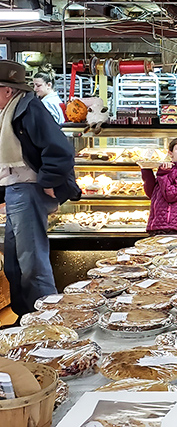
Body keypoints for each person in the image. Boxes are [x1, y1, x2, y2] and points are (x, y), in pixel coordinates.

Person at [0, 60, 81, 319]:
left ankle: (49, 324)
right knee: (15, 261)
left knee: (31, 262)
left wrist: (47, 182)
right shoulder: (10, 111)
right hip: (16, 191)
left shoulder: (28, 109)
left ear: (8, 90)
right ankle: (26, 318)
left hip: (28, 190)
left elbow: (60, 150)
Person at [141, 136, 177, 235]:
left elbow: (171, 196)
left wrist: (163, 174)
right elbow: (152, 193)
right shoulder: (169, 169)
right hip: (158, 223)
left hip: (172, 226)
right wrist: (146, 169)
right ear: (170, 153)